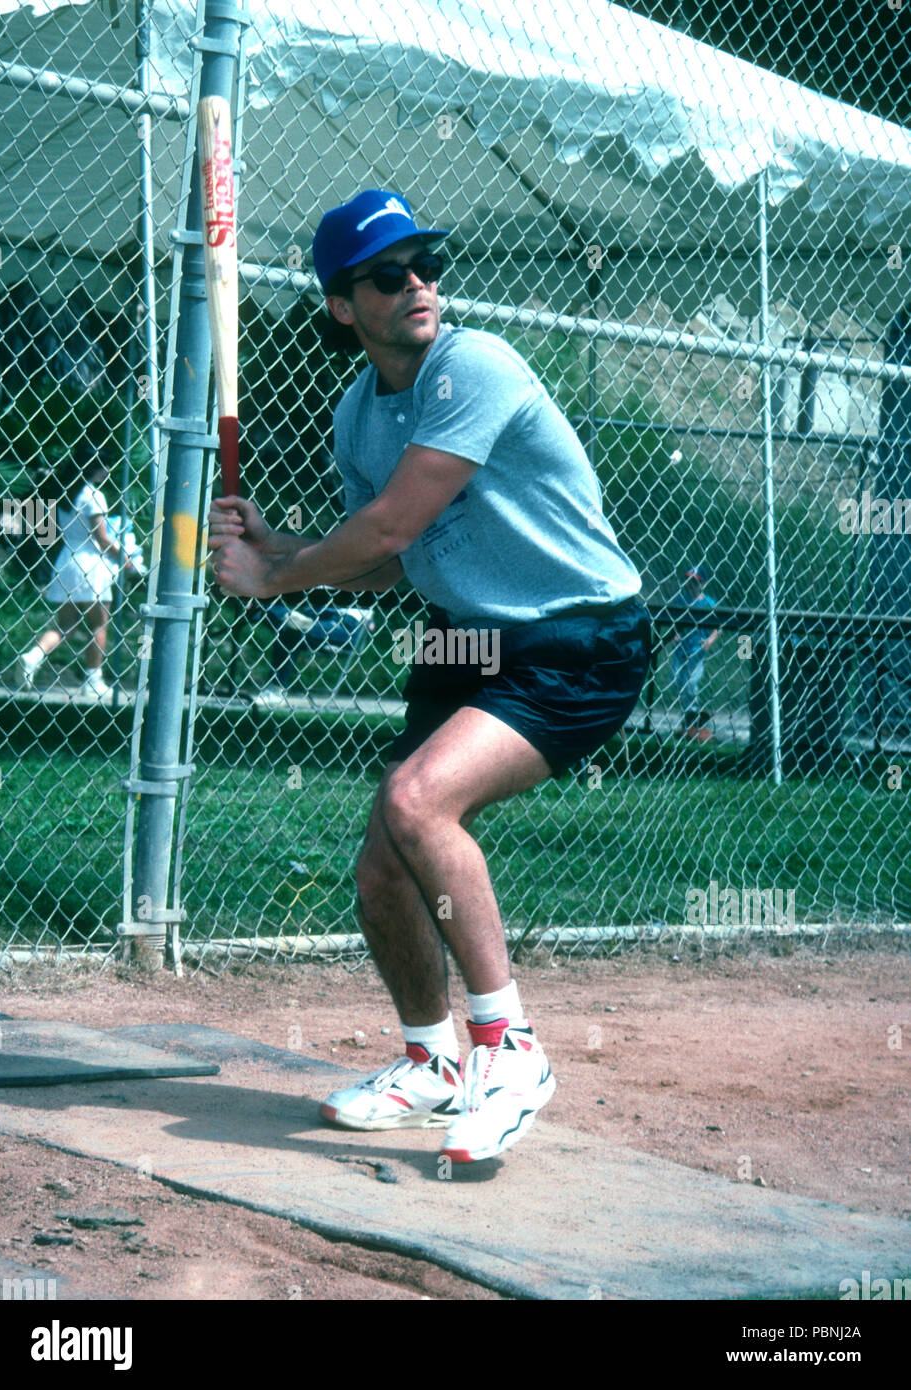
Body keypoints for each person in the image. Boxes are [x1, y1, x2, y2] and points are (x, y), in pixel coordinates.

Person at [208, 188, 651, 1164]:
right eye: (385, 274)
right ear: (341, 304)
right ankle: (432, 1060)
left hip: (579, 638)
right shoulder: (359, 410)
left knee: (416, 801)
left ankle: (510, 1049)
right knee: (381, 866)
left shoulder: (474, 364)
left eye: (426, 265)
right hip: (465, 640)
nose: (417, 285)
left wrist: (273, 573)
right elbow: (386, 561)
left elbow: (394, 523)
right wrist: (276, 550)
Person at [17, 443, 139, 698]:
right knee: (98, 625)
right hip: (92, 565)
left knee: (65, 626)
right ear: (96, 468)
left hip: (67, 561)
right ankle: (93, 680)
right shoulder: (94, 495)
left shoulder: (66, 494)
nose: (107, 471)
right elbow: (102, 538)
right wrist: (126, 558)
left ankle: (33, 656)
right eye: (105, 466)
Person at [668, 565, 720, 741]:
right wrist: (675, 634)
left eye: (695, 582)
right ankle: (692, 715)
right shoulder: (681, 599)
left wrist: (710, 641)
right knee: (675, 680)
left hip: (697, 650)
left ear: (702, 584)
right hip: (681, 647)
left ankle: (692, 714)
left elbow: (717, 628)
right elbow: (674, 621)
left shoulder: (708, 603)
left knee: (690, 682)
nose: (691, 585)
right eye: (689, 581)